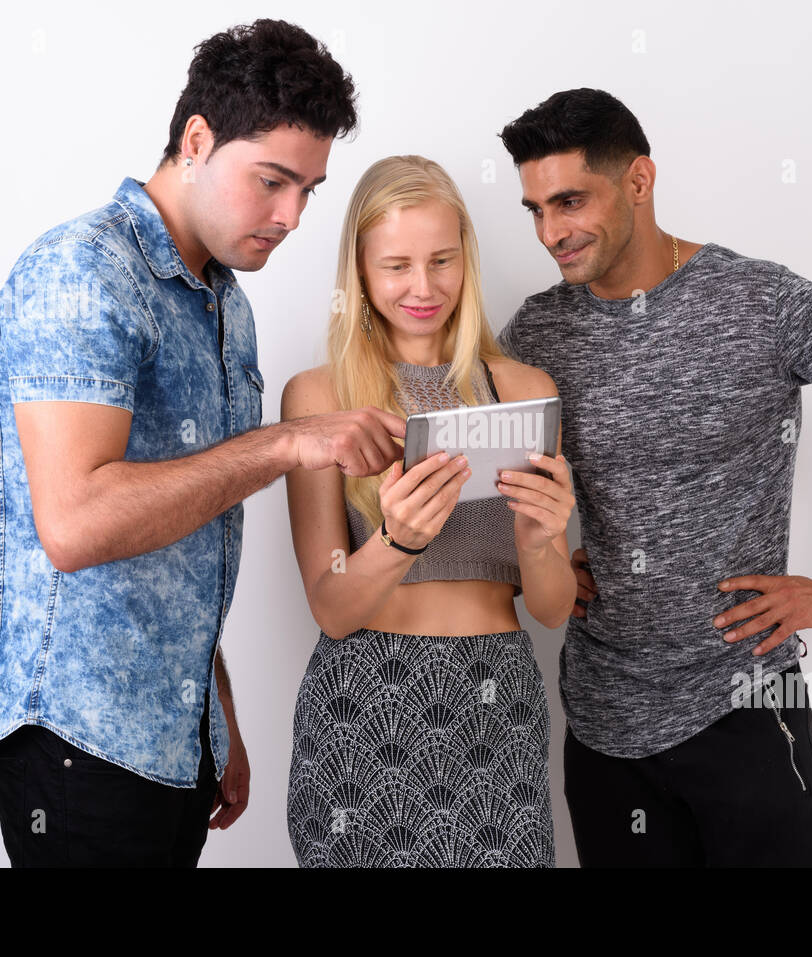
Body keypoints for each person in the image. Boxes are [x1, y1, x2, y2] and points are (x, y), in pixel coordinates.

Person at [494, 88, 812, 867]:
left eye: (569, 201)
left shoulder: (759, 300)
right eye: (534, 210)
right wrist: (543, 561)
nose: (551, 232)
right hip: (601, 722)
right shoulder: (537, 330)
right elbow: (480, 471)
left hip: (746, 702)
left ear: (639, 181)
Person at [0, 19, 406, 867]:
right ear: (196, 140)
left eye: (309, 190)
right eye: (272, 181)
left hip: (175, 735)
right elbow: (78, 523)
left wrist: (217, 713)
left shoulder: (223, 299)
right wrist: (285, 443)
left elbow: (188, 531)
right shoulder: (82, 271)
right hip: (76, 732)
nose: (291, 216)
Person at [280, 155, 577, 867]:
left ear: (466, 258)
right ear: (359, 270)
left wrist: (541, 539)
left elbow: (554, 607)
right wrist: (398, 540)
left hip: (495, 696)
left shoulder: (525, 388)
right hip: (363, 701)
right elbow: (332, 607)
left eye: (442, 260)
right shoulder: (319, 397)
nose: (423, 287)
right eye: (396, 266)